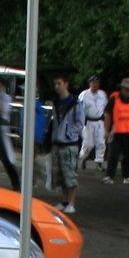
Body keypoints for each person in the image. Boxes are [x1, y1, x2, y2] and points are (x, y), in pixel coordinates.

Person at [46, 75, 84, 215]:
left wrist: (69, 133)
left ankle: (71, 202)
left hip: (69, 143)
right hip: (57, 142)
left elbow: (80, 122)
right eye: (55, 84)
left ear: (66, 84)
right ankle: (65, 200)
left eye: (59, 83)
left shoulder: (75, 102)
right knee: (60, 174)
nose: (57, 86)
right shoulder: (56, 102)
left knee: (70, 175)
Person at [77, 75, 109, 170]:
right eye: (93, 83)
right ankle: (83, 157)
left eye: (97, 83)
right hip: (87, 122)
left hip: (99, 121)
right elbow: (79, 108)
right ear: (90, 84)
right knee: (88, 144)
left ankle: (99, 162)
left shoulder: (102, 94)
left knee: (101, 142)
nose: (95, 84)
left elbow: (106, 108)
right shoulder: (84, 94)